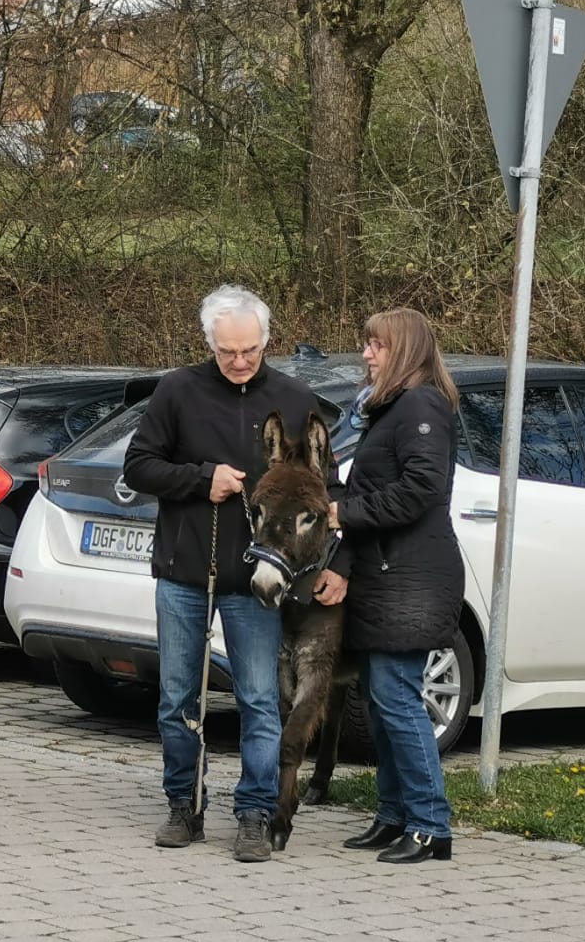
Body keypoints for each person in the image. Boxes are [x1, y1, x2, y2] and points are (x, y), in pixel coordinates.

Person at [123, 283, 348, 862]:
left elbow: (335, 496)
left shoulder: (298, 399)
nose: (240, 361)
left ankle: (254, 811)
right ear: (209, 344)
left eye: (250, 349)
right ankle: (183, 803)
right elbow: (139, 466)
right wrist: (203, 480)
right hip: (184, 570)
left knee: (257, 698)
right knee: (178, 697)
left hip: (260, 584)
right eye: (228, 352)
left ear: (266, 340)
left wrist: (339, 566)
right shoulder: (177, 392)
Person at [331, 308, 460, 864]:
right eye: (366, 344)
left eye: (377, 346)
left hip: (410, 577)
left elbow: (422, 488)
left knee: (396, 699)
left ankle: (431, 824)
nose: (366, 354)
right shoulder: (391, 410)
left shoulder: (422, 405)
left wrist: (344, 513)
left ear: (404, 350)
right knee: (380, 701)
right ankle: (392, 814)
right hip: (386, 574)